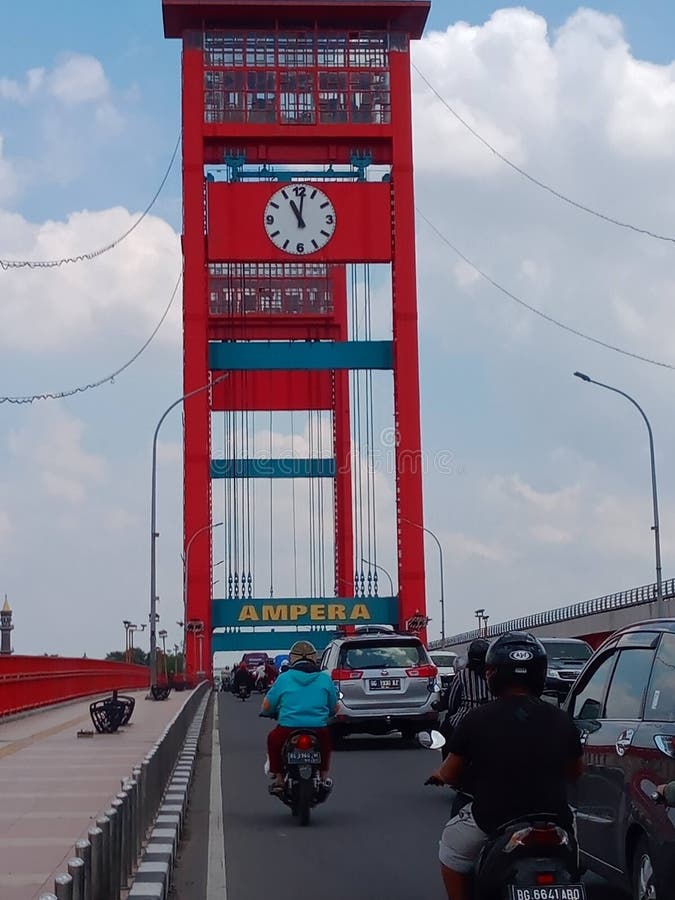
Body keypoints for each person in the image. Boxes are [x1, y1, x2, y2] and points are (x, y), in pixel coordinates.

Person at [427, 632, 584, 900]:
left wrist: (439, 775)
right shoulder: (561, 719)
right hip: (555, 817)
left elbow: (451, 773)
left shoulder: (476, 719)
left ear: (493, 674)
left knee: (451, 852)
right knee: (575, 852)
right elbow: (575, 773)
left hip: (491, 818)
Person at [262, 640, 338, 796]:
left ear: (292, 659)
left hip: (288, 727)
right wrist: (327, 714)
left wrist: (268, 712)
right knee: (325, 744)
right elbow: (335, 707)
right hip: (318, 727)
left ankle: (279, 779)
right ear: (314, 658)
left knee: (273, 739)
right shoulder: (325, 679)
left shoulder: (284, 678)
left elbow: (267, 705)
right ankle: (324, 778)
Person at [438, 638, 491, 759]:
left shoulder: (462, 675)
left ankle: (447, 764)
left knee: (445, 732)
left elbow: (451, 703)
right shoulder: (495, 674)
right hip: (493, 719)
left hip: (464, 720)